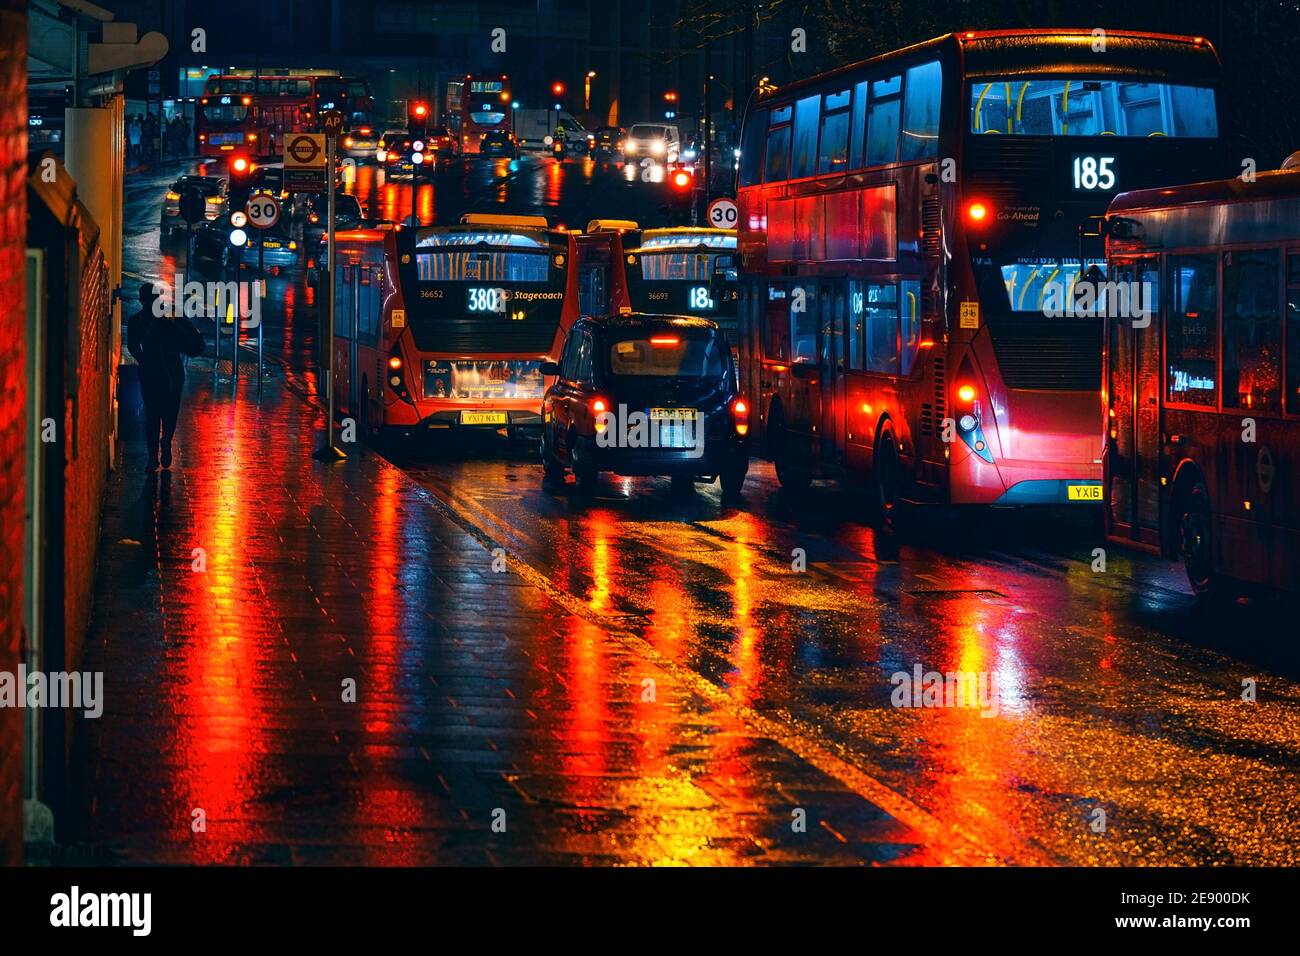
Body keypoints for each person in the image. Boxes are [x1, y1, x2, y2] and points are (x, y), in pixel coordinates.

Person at [127, 283, 205, 472]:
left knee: (154, 416)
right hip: (171, 376)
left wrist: (144, 359)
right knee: (167, 415)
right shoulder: (168, 317)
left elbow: (133, 346)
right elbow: (190, 341)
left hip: (155, 375)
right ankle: (162, 447)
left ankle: (155, 454)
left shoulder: (139, 320)